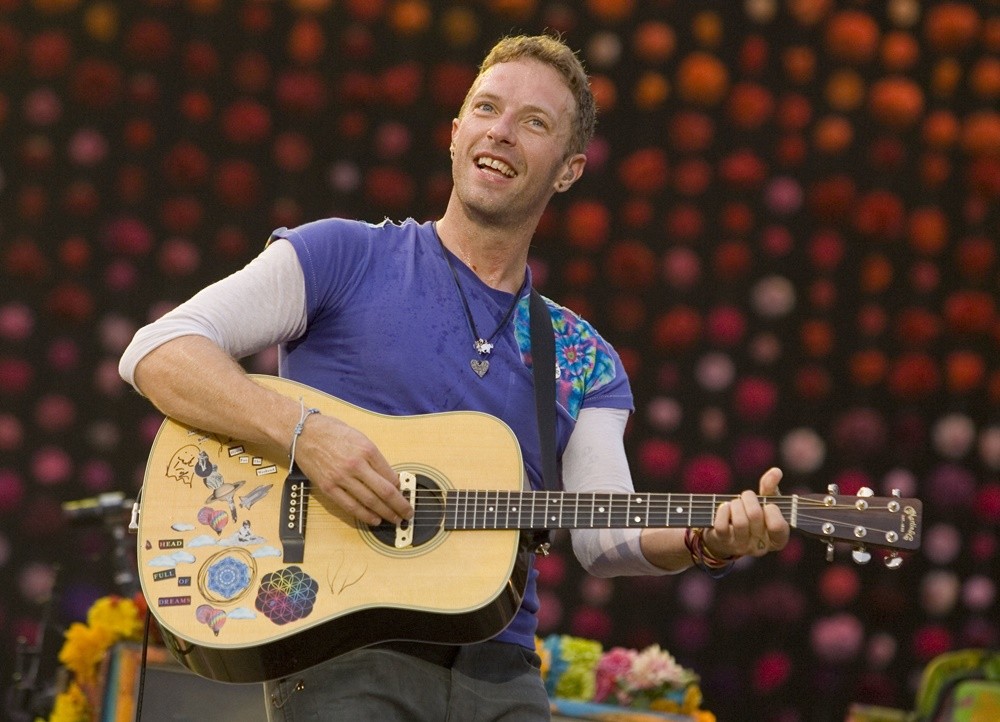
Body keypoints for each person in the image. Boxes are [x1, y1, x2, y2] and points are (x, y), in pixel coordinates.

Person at [119, 33, 790, 722]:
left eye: (534, 123)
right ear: (455, 132)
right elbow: (159, 350)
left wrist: (707, 539)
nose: (501, 131)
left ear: (568, 170)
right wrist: (306, 435)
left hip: (501, 671)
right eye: (487, 108)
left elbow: (603, 537)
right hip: (343, 658)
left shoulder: (584, 356)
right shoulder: (341, 255)